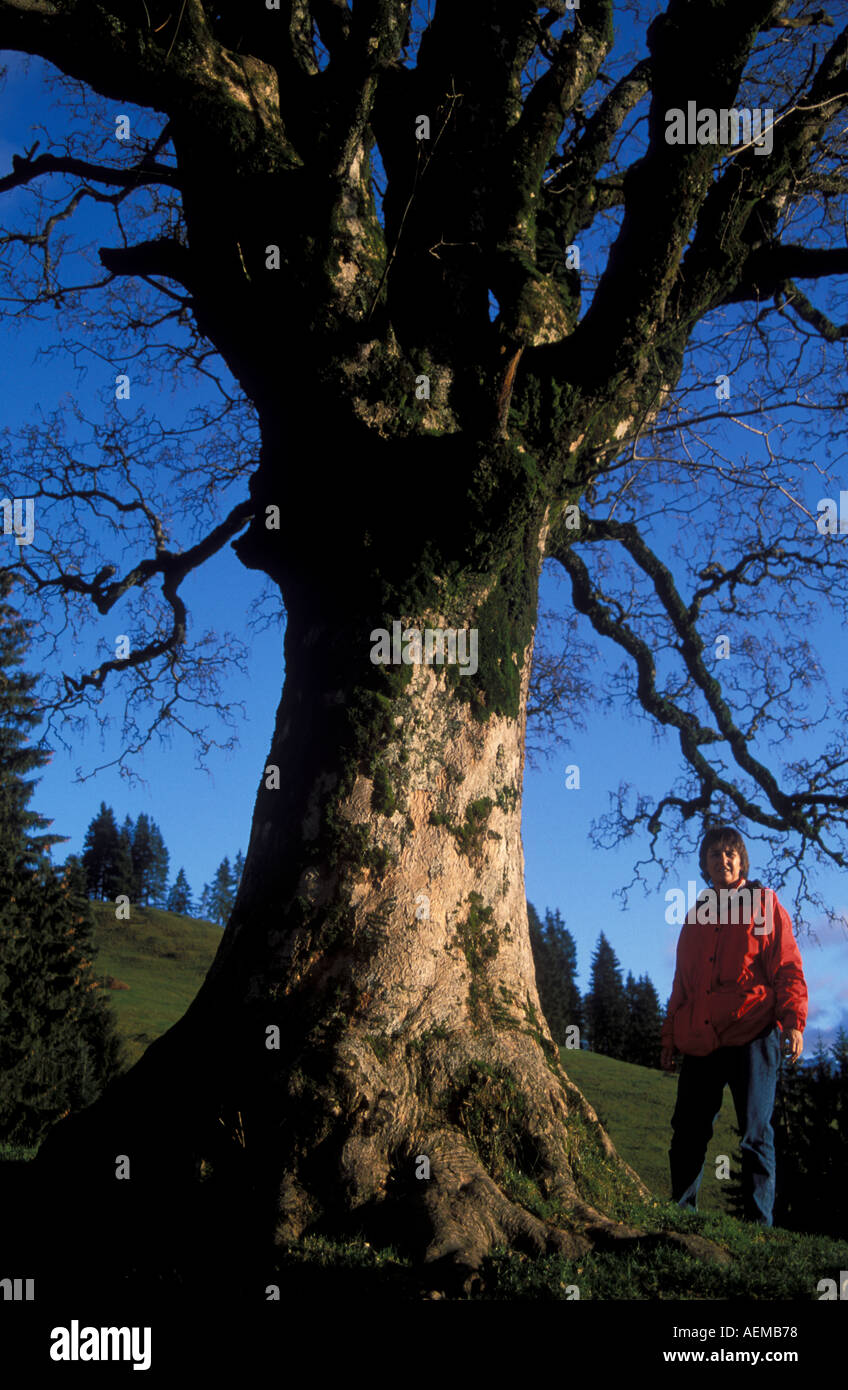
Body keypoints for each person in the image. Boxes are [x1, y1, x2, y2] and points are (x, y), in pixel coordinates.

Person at [660, 824, 808, 1226]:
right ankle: (682, 1216)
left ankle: (759, 1227)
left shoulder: (763, 905)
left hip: (753, 1034)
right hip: (701, 1040)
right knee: (687, 1132)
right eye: (713, 854)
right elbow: (682, 983)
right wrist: (670, 1036)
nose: (722, 860)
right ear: (704, 865)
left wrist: (793, 1020)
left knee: (755, 1135)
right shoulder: (696, 917)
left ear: (741, 861)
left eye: (730, 853)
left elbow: (788, 967)